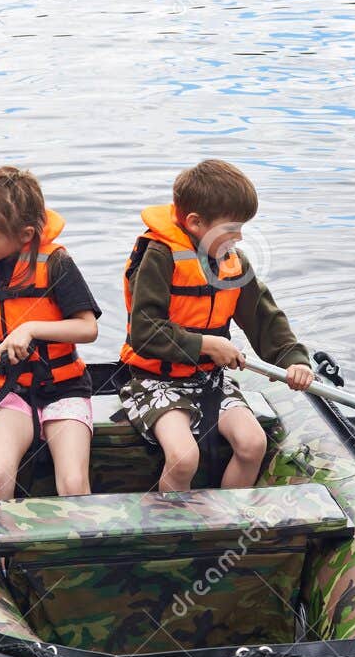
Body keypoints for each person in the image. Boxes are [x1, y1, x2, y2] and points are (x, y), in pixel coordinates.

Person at [119, 159, 314, 491]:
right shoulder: (160, 256)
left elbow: (265, 319)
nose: (238, 237)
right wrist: (208, 345)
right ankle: (175, 529)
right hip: (154, 380)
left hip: (210, 380)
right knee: (183, 458)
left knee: (253, 445)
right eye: (231, 228)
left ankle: (226, 521)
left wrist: (294, 360)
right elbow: (145, 332)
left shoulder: (233, 263)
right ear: (195, 222)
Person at [0, 166, 100, 501]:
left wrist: (30, 328)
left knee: (71, 483)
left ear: (25, 235)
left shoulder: (56, 264)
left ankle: (74, 549)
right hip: (13, 391)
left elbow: (88, 328)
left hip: (65, 390)